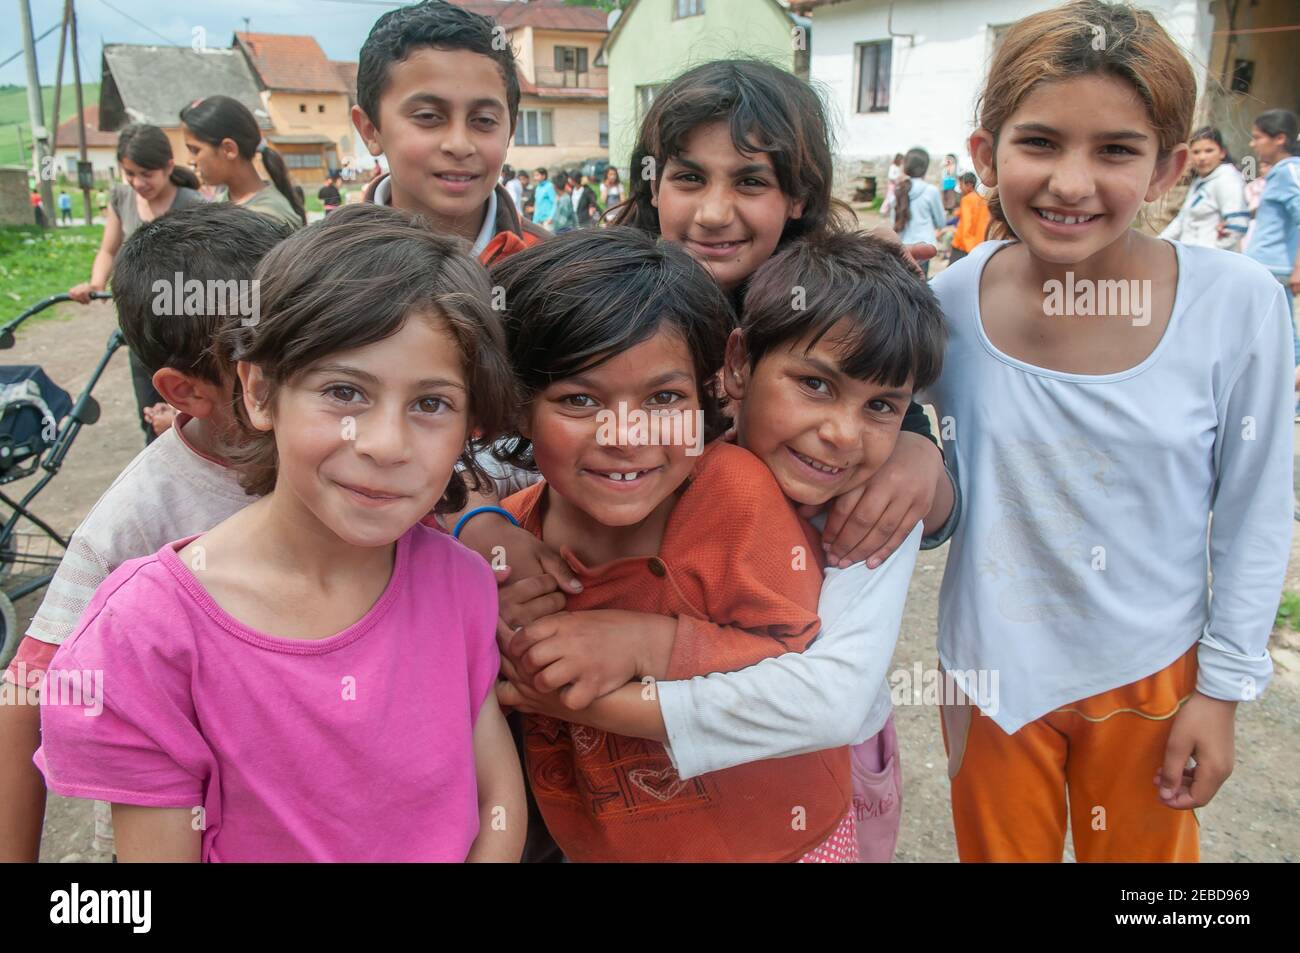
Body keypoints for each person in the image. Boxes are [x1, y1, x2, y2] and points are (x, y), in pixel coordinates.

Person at [460, 58, 955, 863]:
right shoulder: (598, 295)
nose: (715, 211)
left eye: (751, 181)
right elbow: (476, 455)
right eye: (688, 175)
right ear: (652, 182)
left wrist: (921, 458)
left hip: (770, 785)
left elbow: (823, 684)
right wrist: (483, 522)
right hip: (595, 793)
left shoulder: (842, 322)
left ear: (798, 196)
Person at [36, 204, 525, 862]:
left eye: (431, 403)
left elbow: (494, 792)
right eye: (346, 391)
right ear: (261, 392)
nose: (384, 444)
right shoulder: (149, 633)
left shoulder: (460, 581)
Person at [930, 0, 1292, 862]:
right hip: (989, 672)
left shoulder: (1235, 306)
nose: (1071, 183)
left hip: (1154, 675)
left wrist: (1223, 689)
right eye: (1041, 142)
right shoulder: (943, 308)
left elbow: (1253, 514)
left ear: (1168, 167)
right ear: (987, 154)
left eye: (1116, 150)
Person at [486, 227, 853, 861]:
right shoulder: (512, 543)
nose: (626, 436)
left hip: (783, 845)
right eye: (578, 399)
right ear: (518, 406)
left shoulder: (736, 499)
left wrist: (646, 643)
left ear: (710, 390)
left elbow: (800, 660)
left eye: (663, 398)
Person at [0, 203, 290, 862]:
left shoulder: (345, 459)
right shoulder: (135, 520)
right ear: (184, 392)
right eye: (277, 366)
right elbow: (24, 692)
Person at [353, 0, 547, 263]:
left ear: (510, 131)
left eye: (484, 120)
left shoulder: (552, 272)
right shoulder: (318, 276)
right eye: (428, 117)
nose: (459, 145)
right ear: (369, 130)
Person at [68, 123, 205, 445]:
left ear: (169, 166)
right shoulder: (121, 197)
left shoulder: (192, 204)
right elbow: (108, 248)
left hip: (181, 325)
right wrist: (95, 282)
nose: (138, 183)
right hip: (139, 325)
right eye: (130, 174)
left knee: (187, 410)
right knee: (149, 409)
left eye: (147, 174)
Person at [1243, 109, 1300, 415]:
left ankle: (1288, 400)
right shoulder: (1279, 172)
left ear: (1280, 139)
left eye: (1257, 138)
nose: (1253, 145)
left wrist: (1298, 268)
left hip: (1276, 269)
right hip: (1263, 265)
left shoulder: (1291, 170)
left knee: (1284, 337)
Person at [179, 95, 306, 230]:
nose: (190, 161)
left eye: (195, 150)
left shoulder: (268, 218)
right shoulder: (223, 202)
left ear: (229, 149)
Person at [1159, 126, 1248, 250]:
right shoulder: (1201, 181)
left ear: (1222, 153)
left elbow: (1237, 225)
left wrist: (1212, 253)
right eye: (1196, 152)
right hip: (1191, 256)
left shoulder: (1227, 179)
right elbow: (1182, 220)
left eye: (1209, 151)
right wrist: (1159, 243)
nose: (1202, 158)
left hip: (1211, 261)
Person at [894, 148, 946, 275]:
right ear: (925, 167)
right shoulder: (930, 191)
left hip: (903, 247)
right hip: (925, 247)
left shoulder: (899, 189)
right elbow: (940, 222)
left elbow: (894, 222)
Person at [949, 172, 990, 263]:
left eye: (961, 184)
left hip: (963, 246)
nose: (959, 187)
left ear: (969, 185)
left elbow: (967, 225)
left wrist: (969, 249)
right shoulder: (983, 200)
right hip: (977, 246)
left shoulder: (967, 200)